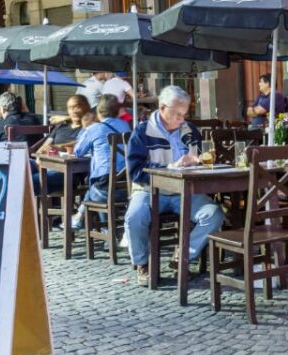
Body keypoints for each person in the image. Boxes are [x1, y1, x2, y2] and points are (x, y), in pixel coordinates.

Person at [124, 85, 224, 286]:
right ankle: (142, 264)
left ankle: (183, 256)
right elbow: (135, 171)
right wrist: (171, 167)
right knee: (134, 217)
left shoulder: (190, 130)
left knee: (214, 214)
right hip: (150, 190)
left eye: (184, 114)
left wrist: (201, 162)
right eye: (177, 114)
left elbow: (201, 160)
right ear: (162, 107)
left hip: (184, 191)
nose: (181, 119)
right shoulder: (142, 131)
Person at [72, 95, 132, 230]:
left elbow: (78, 152)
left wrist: (84, 128)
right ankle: (102, 230)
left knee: (94, 190)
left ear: (98, 112)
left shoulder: (94, 128)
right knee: (96, 186)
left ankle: (83, 219)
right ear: (117, 111)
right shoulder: (125, 126)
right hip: (127, 187)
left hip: (104, 190)